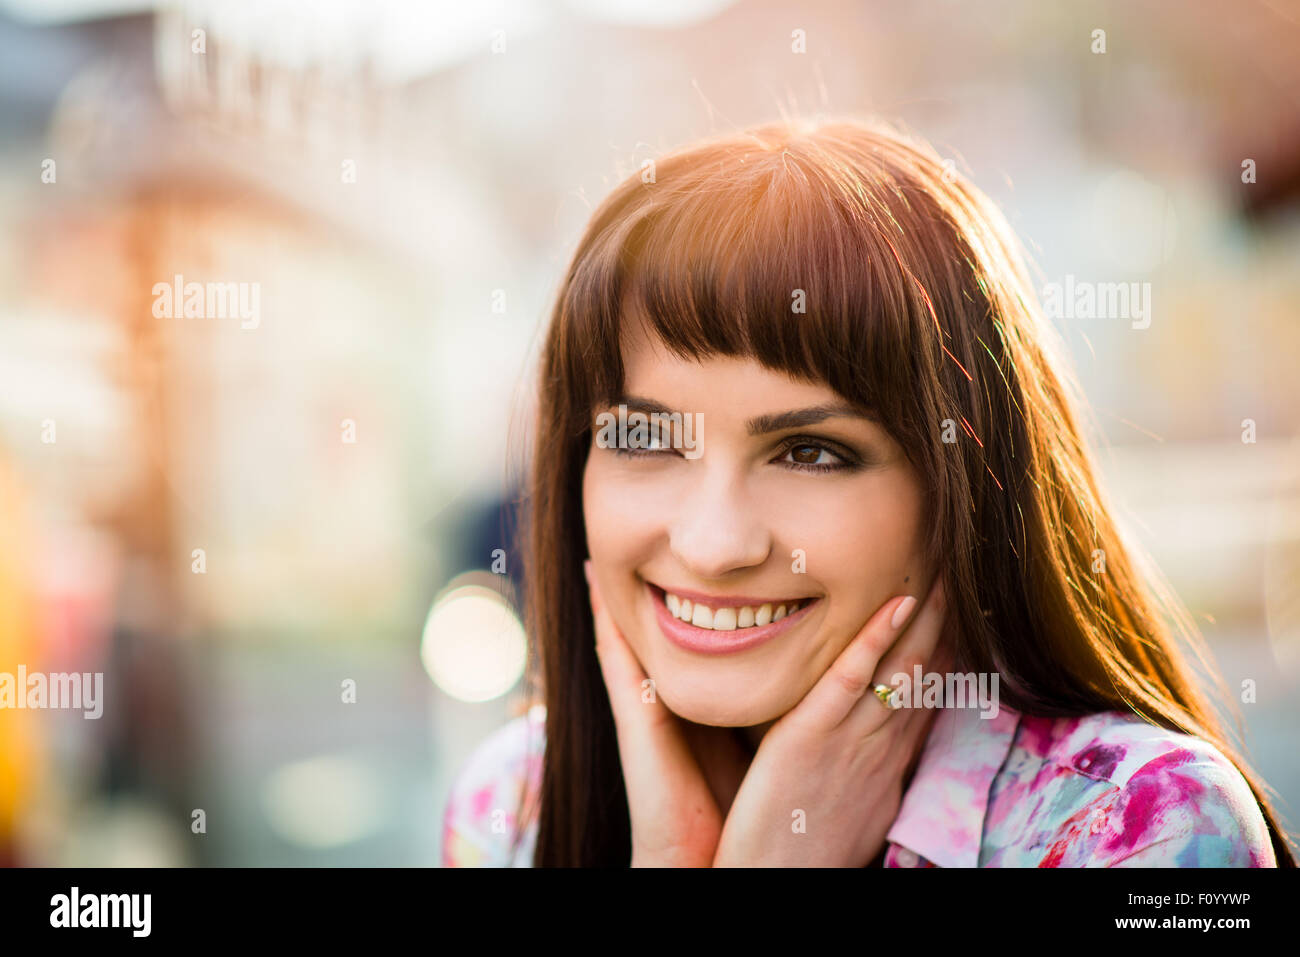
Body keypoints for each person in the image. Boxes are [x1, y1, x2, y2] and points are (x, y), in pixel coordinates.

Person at [441, 117, 1295, 867]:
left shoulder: (1141, 827)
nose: (712, 542)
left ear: (961, 492)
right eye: (646, 438)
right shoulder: (509, 805)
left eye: (809, 451)